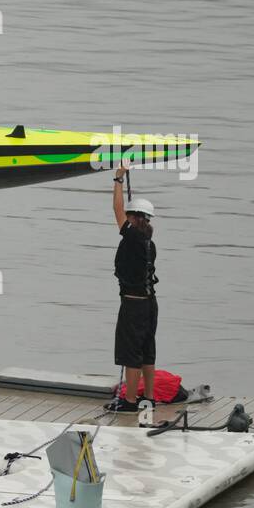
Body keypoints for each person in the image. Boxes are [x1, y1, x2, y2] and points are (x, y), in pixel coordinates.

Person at [110, 163, 159, 414]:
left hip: (134, 304)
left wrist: (118, 179)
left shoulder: (131, 236)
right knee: (147, 349)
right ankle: (148, 398)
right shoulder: (148, 241)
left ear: (135, 218)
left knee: (131, 352)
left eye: (130, 215)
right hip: (150, 303)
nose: (125, 217)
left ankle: (129, 401)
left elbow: (116, 209)